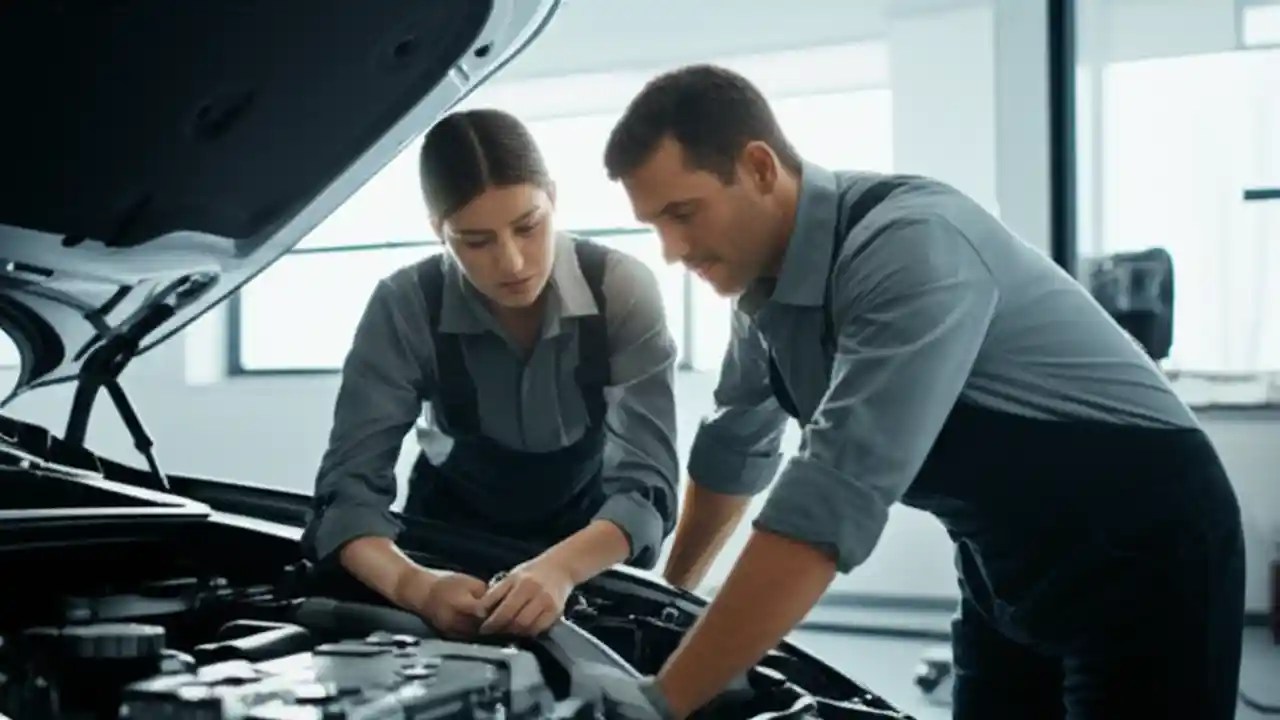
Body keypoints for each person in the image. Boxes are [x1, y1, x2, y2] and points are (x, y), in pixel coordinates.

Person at [583, 64, 1246, 719]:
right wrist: (666, 614)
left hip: (1146, 550)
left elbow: (827, 500)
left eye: (683, 213)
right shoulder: (762, 294)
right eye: (654, 225)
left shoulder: (911, 245)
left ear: (758, 168)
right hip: (1004, 569)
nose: (671, 249)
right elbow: (732, 455)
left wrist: (665, 700)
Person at [300, 108, 680, 641]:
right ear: (439, 232)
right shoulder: (404, 305)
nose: (512, 262)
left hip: (588, 550)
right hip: (444, 547)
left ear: (553, 197)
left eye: (529, 226)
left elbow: (647, 489)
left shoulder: (621, 289)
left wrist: (560, 569)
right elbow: (346, 497)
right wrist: (417, 588)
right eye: (475, 241)